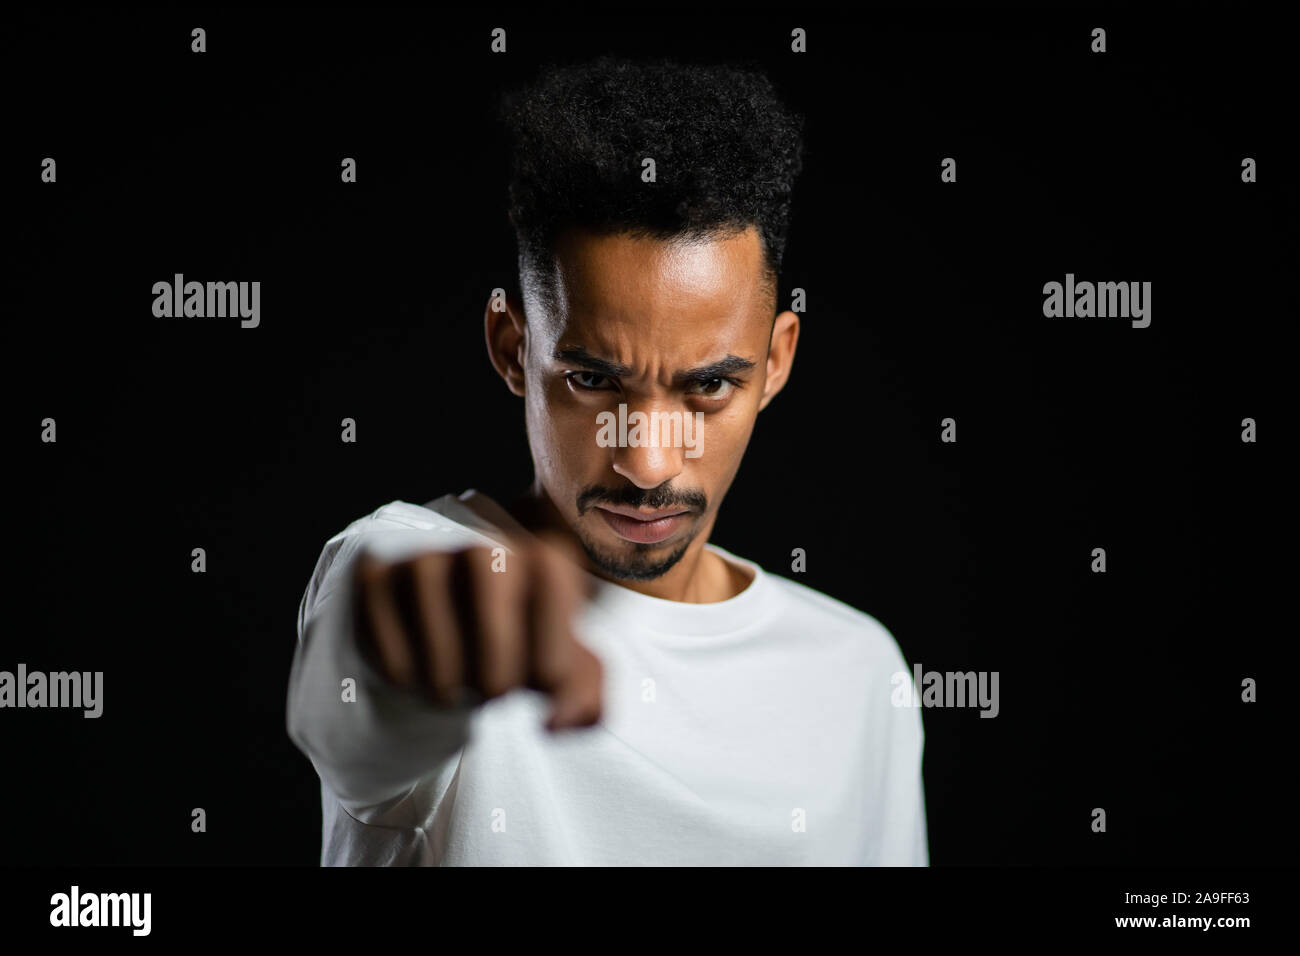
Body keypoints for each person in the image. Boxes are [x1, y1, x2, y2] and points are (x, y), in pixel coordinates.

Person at [286, 55, 929, 866]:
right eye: (593, 380)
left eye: (709, 386)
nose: (650, 464)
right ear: (512, 348)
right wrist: (409, 644)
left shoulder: (859, 672)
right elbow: (350, 706)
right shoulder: (407, 558)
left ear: (776, 363)